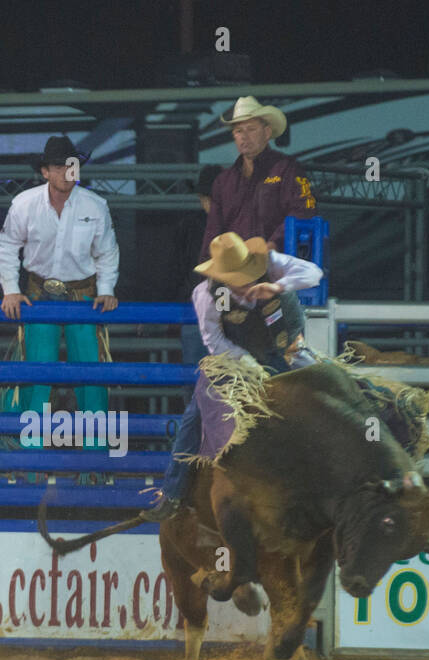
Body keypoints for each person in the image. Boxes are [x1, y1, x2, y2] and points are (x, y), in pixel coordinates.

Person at [140, 232, 323, 522]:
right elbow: (214, 341)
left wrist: (276, 285)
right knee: (195, 415)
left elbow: (313, 273)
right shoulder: (206, 295)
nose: (244, 282)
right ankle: (172, 492)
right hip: (232, 361)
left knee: (323, 395)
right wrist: (249, 365)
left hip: (281, 353)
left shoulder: (271, 264)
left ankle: (326, 484)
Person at [0, 135, 119, 445]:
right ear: (45, 171)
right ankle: (32, 458)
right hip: (38, 295)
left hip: (84, 296)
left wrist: (106, 288)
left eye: (72, 165)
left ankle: (95, 461)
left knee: (91, 376)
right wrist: (10, 288)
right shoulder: (24, 203)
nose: (66, 171)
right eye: (59, 166)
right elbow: (7, 246)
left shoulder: (96, 205)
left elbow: (108, 251)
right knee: (37, 376)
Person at [201, 96, 316, 260]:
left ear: (267, 132)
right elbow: (213, 232)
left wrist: (273, 244)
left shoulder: (287, 169)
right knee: (206, 287)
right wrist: (208, 270)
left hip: (277, 265)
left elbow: (304, 211)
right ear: (234, 136)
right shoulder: (223, 182)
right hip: (235, 270)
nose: (244, 136)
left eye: (251, 129)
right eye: (238, 131)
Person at [172, 165, 223, 365]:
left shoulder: (189, 227)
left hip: (201, 311)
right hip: (208, 312)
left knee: (197, 375)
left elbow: (176, 271)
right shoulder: (190, 227)